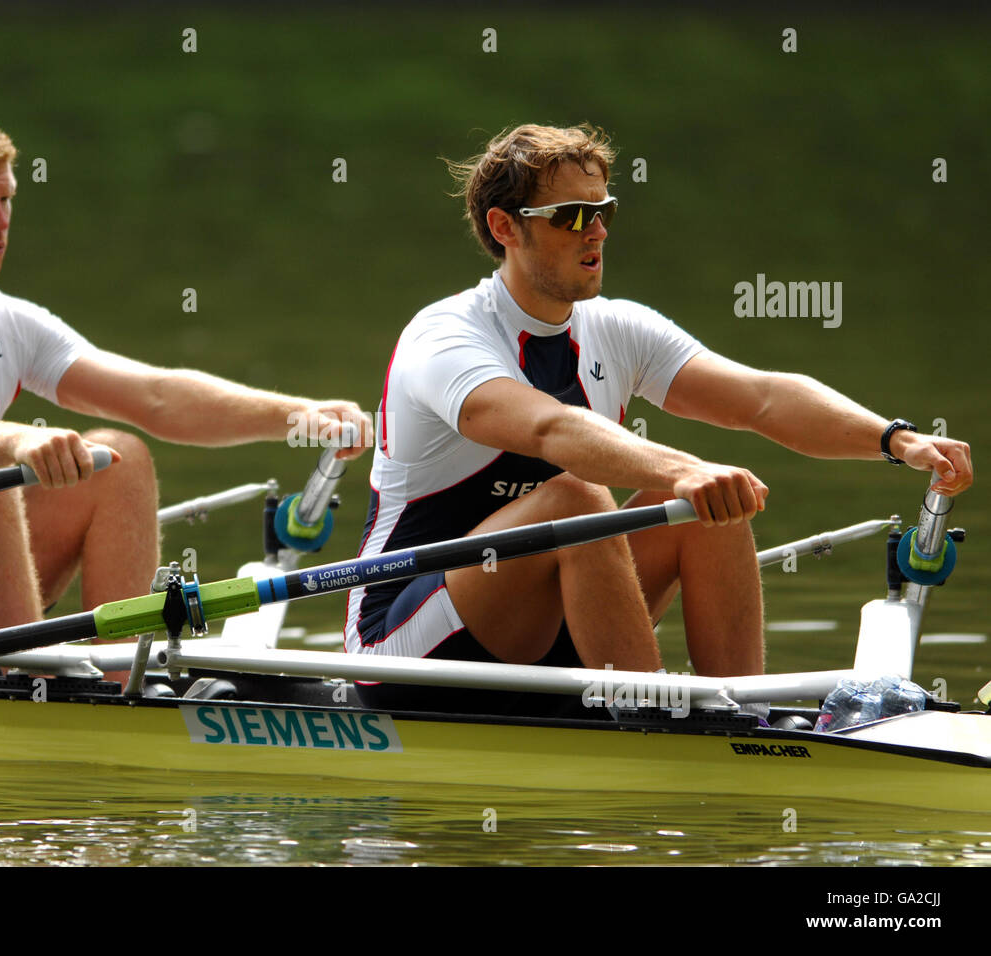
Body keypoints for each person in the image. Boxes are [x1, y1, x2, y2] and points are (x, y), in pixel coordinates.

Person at [343, 123, 972, 715]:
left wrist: (898, 440)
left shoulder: (617, 329)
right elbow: (548, 430)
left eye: (604, 211)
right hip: (406, 644)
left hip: (549, 627)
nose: (597, 232)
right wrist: (682, 471)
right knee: (582, 498)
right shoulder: (446, 336)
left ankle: (741, 724)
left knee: (706, 505)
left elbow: (763, 399)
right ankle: (655, 724)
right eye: (572, 216)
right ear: (505, 227)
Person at [0, 109, 370, 681]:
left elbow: (156, 396)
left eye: (6, 200)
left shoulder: (7, 321)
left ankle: (114, 679)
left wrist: (296, 415)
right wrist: (19, 438)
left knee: (119, 456)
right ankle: (38, 677)